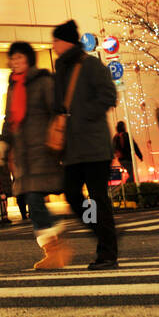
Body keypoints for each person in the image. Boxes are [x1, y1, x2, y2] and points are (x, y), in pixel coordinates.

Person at [53, 19, 119, 270]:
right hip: (72, 148)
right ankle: (102, 232)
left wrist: (80, 115)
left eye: (56, 40)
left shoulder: (91, 65)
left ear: (67, 41)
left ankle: (107, 253)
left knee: (97, 198)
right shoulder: (60, 69)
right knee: (71, 193)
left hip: (94, 146)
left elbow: (109, 96)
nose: (54, 45)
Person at [1, 41, 70, 270]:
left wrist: (59, 141)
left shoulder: (43, 82)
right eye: (13, 58)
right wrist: (3, 143)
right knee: (33, 202)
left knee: (33, 199)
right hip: (24, 155)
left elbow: (58, 111)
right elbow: (9, 119)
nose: (16, 62)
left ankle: (55, 247)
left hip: (42, 150)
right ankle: (54, 249)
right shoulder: (13, 86)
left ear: (29, 59)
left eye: (20, 57)